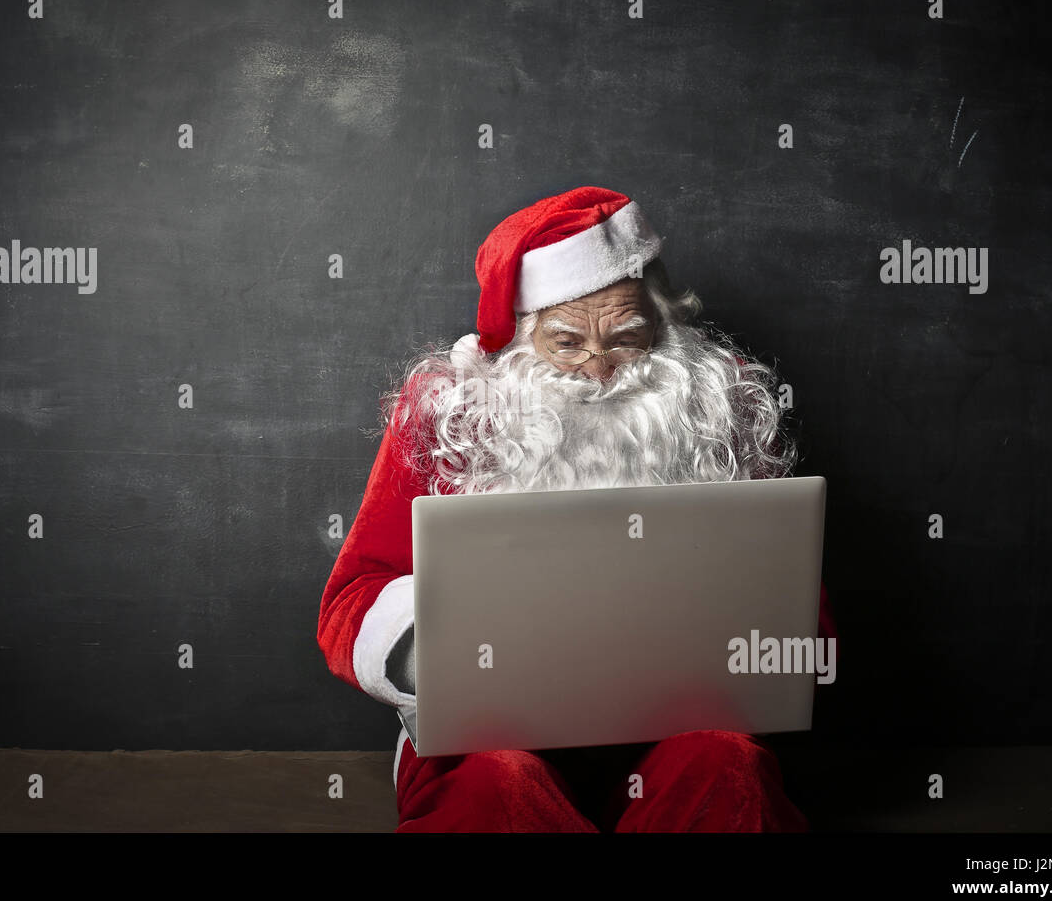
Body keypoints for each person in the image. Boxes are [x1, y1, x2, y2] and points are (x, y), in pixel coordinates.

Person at [318, 185, 837, 831]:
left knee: (727, 770)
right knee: (496, 784)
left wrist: (776, 656)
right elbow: (353, 598)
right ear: (519, 337)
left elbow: (794, 603)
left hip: (677, 724)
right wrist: (435, 657)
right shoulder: (448, 412)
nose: (599, 370)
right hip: (495, 732)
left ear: (665, 325)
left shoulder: (717, 404)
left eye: (626, 338)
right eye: (566, 343)